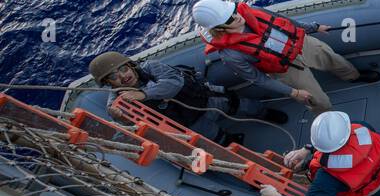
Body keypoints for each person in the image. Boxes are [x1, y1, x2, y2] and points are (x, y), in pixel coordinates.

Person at [194, 0, 380, 112]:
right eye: (230, 18)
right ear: (219, 28)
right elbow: (258, 79)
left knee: (335, 60)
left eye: (233, 10)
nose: (237, 16)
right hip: (285, 69)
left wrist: (313, 27)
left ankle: (353, 77)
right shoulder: (231, 55)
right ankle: (328, 119)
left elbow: (283, 21)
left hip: (300, 43)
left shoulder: (250, 11)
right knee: (318, 101)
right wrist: (294, 92)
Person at [88, 51, 285, 145]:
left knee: (240, 105)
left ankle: (264, 112)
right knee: (216, 138)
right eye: (114, 76)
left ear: (130, 66)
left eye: (123, 69)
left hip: (205, 98)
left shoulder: (151, 67)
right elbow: (122, 117)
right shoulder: (117, 99)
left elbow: (173, 83)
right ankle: (233, 142)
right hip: (188, 121)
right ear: (108, 83)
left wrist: (144, 94)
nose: (123, 76)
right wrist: (118, 116)